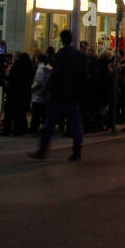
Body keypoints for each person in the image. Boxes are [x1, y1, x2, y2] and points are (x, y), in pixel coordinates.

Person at [30, 30, 88, 161]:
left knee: (50, 123)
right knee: (75, 123)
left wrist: (45, 90)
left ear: (62, 40)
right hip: (73, 95)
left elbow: (55, 75)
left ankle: (42, 150)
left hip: (59, 94)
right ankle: (77, 150)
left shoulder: (60, 55)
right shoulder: (79, 56)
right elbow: (84, 76)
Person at [29, 50, 52, 136]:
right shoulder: (48, 69)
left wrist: (32, 88)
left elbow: (39, 82)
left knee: (36, 114)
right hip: (45, 95)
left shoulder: (40, 69)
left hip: (38, 95)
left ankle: (34, 129)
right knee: (43, 114)